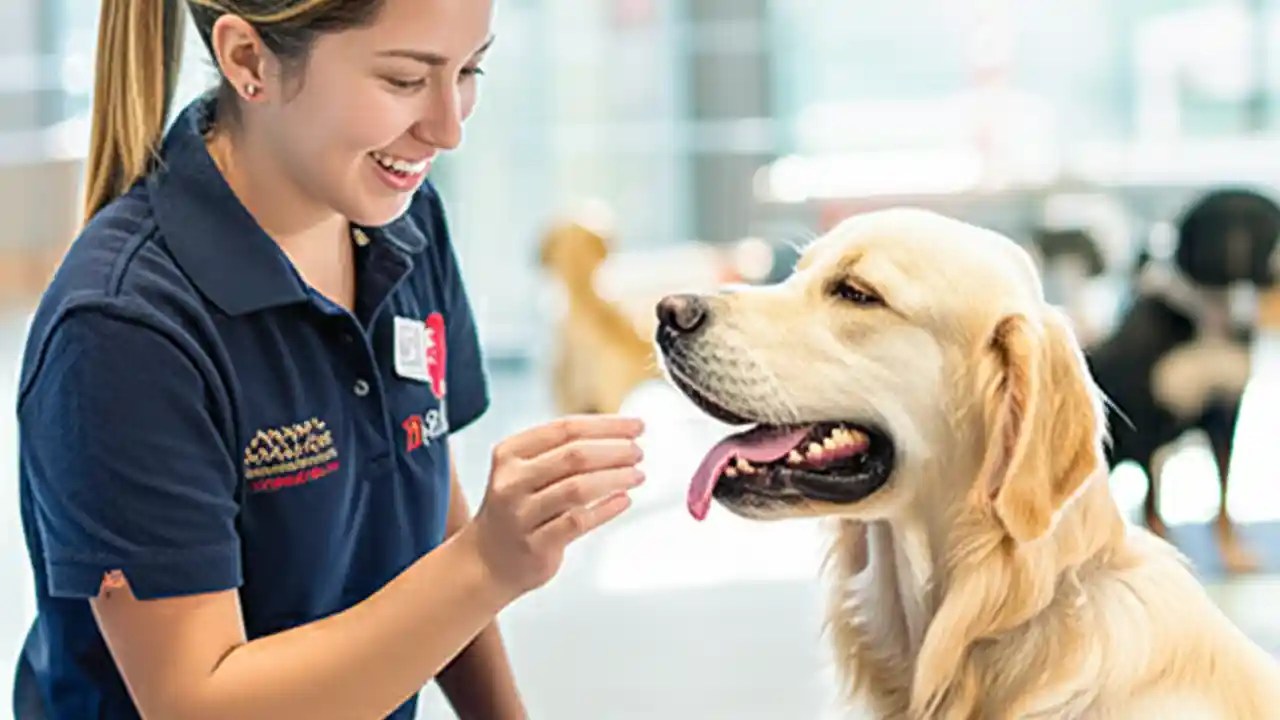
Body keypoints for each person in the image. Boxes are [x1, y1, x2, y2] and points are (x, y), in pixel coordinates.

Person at [13, 1, 646, 718]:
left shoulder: (402, 219)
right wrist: (487, 564)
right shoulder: (123, 331)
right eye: (406, 80)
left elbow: (421, 478)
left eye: (469, 70)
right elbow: (197, 703)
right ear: (249, 61)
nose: (448, 128)